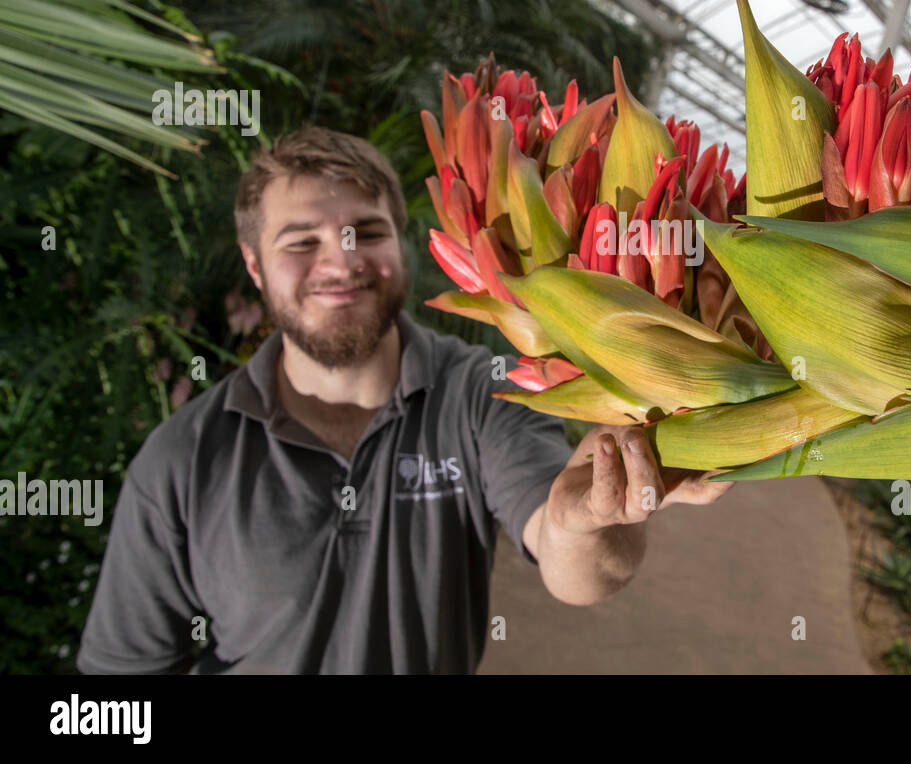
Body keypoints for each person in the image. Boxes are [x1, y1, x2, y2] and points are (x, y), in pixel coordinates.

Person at [76, 126, 731, 674]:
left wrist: (588, 515)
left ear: (403, 240)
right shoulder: (182, 461)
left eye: (367, 230)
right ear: (254, 266)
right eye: (302, 242)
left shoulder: (481, 392)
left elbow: (578, 572)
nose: (342, 261)